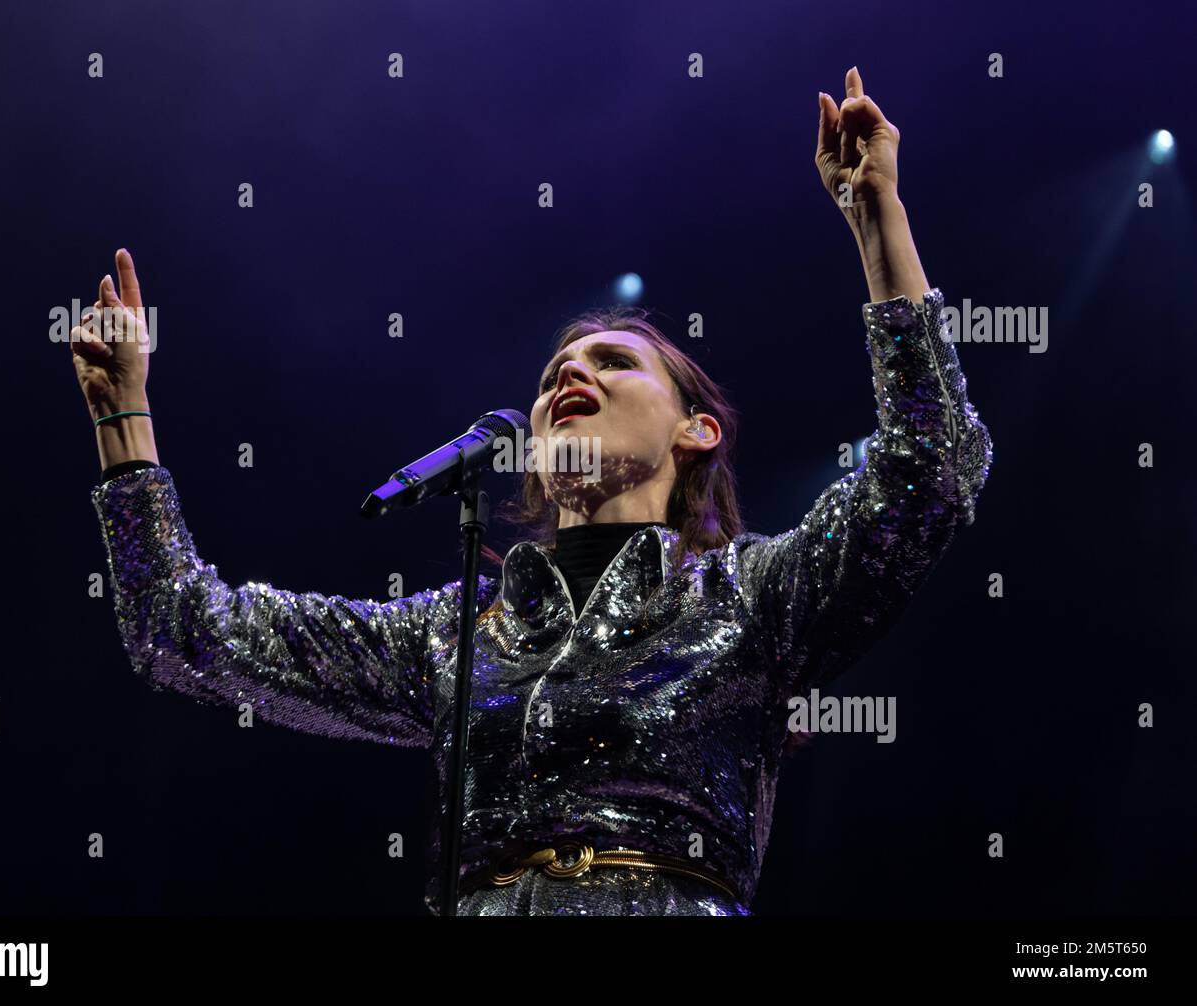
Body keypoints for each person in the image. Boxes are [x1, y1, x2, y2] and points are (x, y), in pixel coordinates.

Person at [69, 67, 993, 916]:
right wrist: (125, 420)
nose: (567, 377)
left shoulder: (752, 599)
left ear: (696, 430)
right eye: (556, 370)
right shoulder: (457, 635)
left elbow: (929, 472)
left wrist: (879, 221)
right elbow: (184, 631)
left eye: (611, 362)